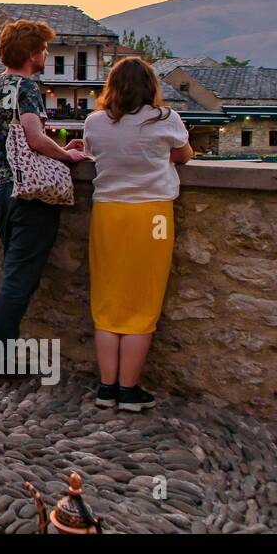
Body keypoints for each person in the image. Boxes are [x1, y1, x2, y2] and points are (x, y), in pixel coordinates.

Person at [81, 57, 192, 412]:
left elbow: (92, 154)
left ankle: (106, 386)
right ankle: (129, 390)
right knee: (142, 302)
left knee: (107, 300)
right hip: (152, 215)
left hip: (108, 213)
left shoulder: (95, 122)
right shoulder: (165, 120)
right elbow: (185, 155)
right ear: (150, 86)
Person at [0, 19, 87, 349]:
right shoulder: (25, 88)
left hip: (0, 188)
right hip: (28, 193)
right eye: (44, 49)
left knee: (14, 276)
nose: (47, 54)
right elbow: (35, 139)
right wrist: (66, 156)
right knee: (19, 281)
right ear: (31, 53)